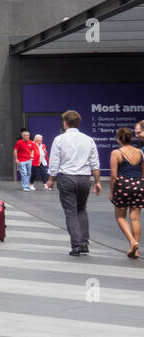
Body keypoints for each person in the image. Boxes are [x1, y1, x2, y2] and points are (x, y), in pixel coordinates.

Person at [46, 109, 101, 256]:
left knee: (70, 213)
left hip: (67, 178)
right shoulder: (88, 140)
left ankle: (76, 245)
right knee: (82, 210)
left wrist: (51, 179)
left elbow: (54, 161)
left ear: (65, 123)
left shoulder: (59, 139)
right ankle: (84, 244)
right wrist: (97, 181)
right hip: (84, 178)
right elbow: (95, 162)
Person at [108, 127, 143, 259]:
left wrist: (112, 192)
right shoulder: (140, 152)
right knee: (135, 218)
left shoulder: (116, 153)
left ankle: (132, 242)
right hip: (139, 184)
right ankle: (136, 248)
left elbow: (113, 175)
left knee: (120, 217)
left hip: (123, 186)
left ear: (118, 139)